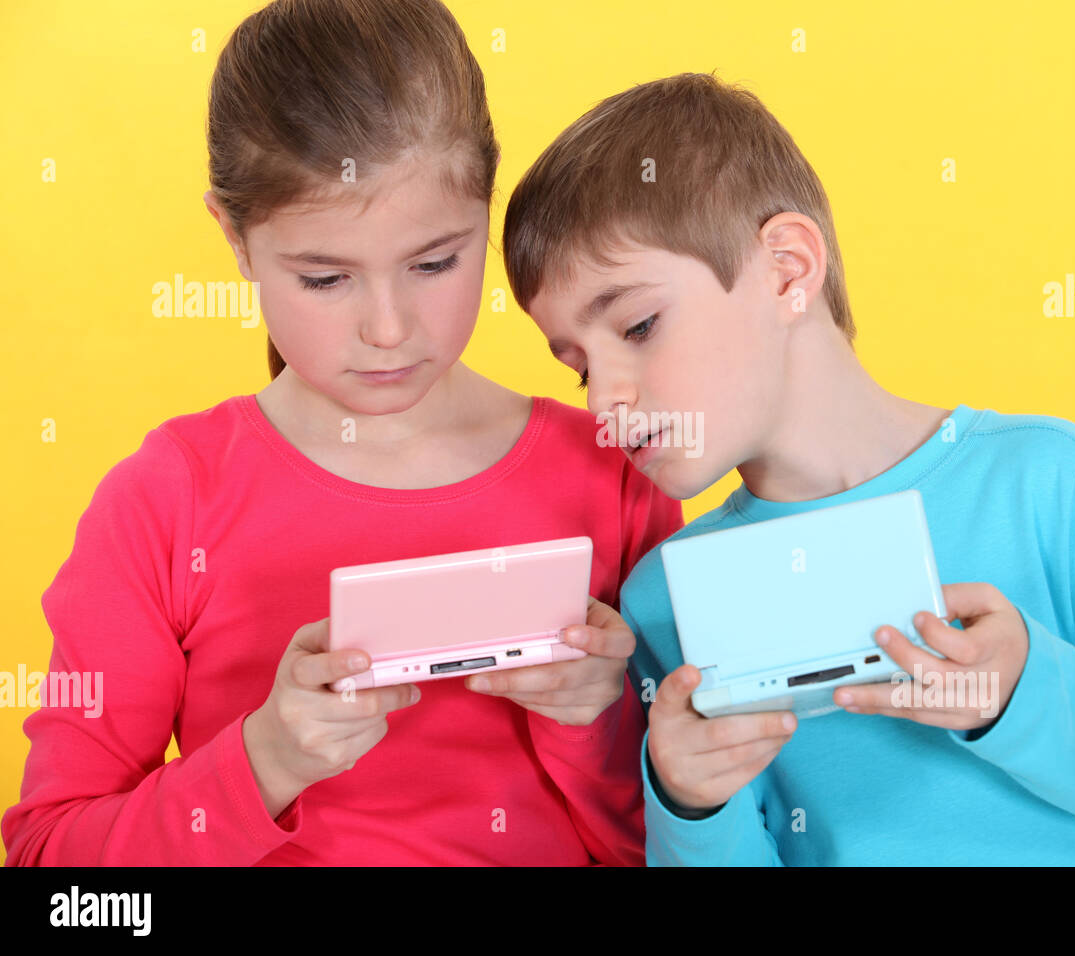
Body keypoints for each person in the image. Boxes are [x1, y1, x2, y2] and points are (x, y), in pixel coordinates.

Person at [501, 71, 1075, 865]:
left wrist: (1024, 694)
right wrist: (693, 804)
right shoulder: (666, 598)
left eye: (637, 325)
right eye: (578, 368)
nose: (603, 403)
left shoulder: (1052, 483)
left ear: (789, 270)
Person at [2, 0, 681, 866]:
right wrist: (264, 762)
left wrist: (599, 725)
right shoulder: (166, 501)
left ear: (487, 205)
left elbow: (705, 836)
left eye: (435, 262)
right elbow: (54, 875)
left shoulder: (616, 474)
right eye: (324, 279)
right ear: (236, 242)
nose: (390, 329)